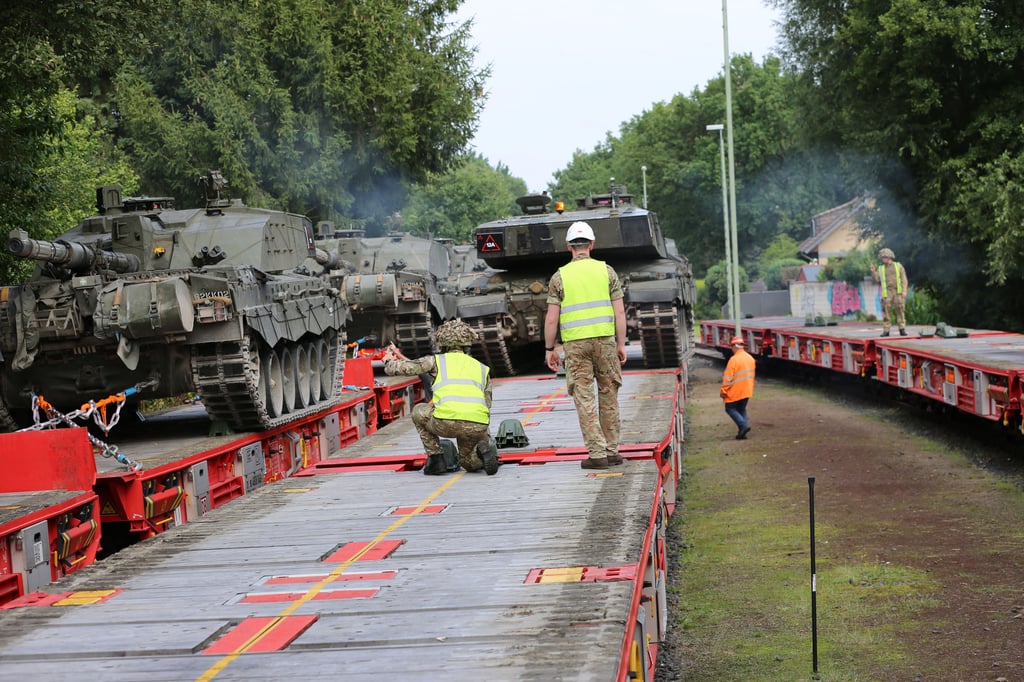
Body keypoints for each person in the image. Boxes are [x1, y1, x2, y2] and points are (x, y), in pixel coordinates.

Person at [543, 220, 628, 470]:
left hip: (576, 346)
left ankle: (597, 454)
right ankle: (613, 452)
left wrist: (550, 349)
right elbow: (620, 313)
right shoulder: (607, 271)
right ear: (591, 245)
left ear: (569, 247)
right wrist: (621, 344)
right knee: (609, 394)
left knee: (584, 398)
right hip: (605, 341)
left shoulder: (559, 277)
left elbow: (551, 318)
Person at [382, 319, 499, 475]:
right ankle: (481, 452)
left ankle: (436, 459)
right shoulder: (482, 368)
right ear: (467, 342)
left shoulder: (435, 361)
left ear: (443, 342)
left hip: (446, 422)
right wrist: (483, 434)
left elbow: (405, 368)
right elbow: (487, 404)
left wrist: (388, 360)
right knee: (469, 464)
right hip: (477, 425)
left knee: (418, 412)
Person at [720, 335, 756, 440]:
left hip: (735, 390)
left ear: (734, 346)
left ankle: (743, 426)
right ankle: (742, 432)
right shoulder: (750, 358)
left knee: (730, 408)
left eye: (732, 346)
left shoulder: (734, 359)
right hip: (747, 389)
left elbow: (727, 378)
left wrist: (723, 391)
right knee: (741, 409)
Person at [869, 247, 909, 337]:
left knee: (900, 309)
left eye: (884, 257)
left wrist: (904, 290)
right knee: (886, 311)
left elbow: (904, 279)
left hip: (897, 291)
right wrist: (873, 272)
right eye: (882, 258)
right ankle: (886, 330)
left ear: (889, 257)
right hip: (887, 292)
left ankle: (902, 329)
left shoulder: (898, 266)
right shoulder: (881, 268)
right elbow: (876, 280)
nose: (882, 259)